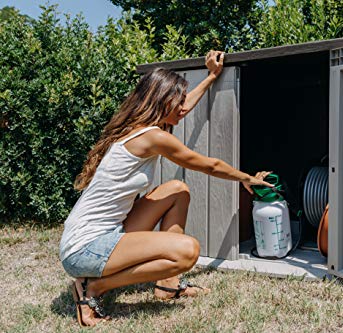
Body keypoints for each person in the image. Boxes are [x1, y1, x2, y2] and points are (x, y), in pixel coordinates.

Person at [59, 50, 273, 327]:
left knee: (177, 190)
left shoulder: (141, 129)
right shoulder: (152, 137)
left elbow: (181, 111)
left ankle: (168, 285)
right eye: (179, 100)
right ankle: (94, 287)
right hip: (84, 248)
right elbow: (207, 165)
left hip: (106, 232)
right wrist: (247, 178)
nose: (183, 107)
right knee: (187, 252)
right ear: (163, 100)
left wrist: (211, 77)